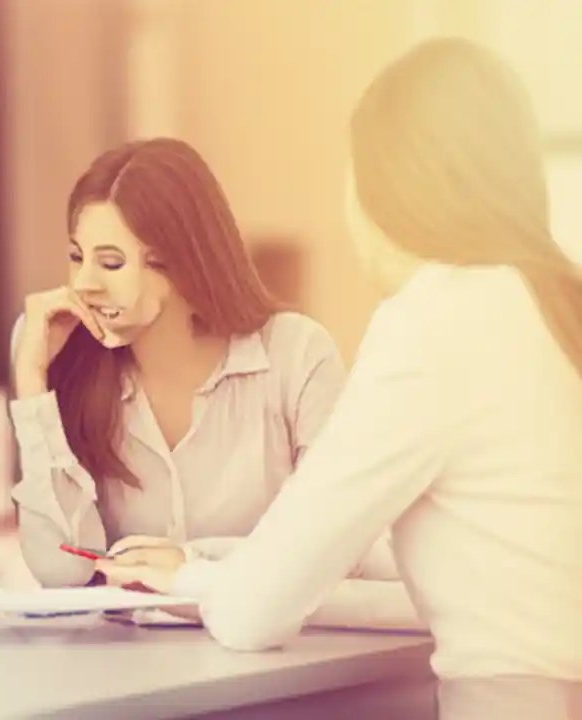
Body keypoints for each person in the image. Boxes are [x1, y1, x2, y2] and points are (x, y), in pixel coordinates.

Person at [97, 39, 582, 718]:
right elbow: (454, 561)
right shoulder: (553, 302)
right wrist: (219, 562)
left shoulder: (437, 318)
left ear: (392, 185)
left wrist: (195, 578)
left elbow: (253, 613)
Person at [10, 137, 420, 631]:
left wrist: (194, 568)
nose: (84, 284)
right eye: (77, 257)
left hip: (281, 671)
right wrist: (33, 384)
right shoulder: (62, 354)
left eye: (111, 262)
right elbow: (64, 571)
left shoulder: (295, 355)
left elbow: (338, 550)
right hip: (129, 681)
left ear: (180, 265)